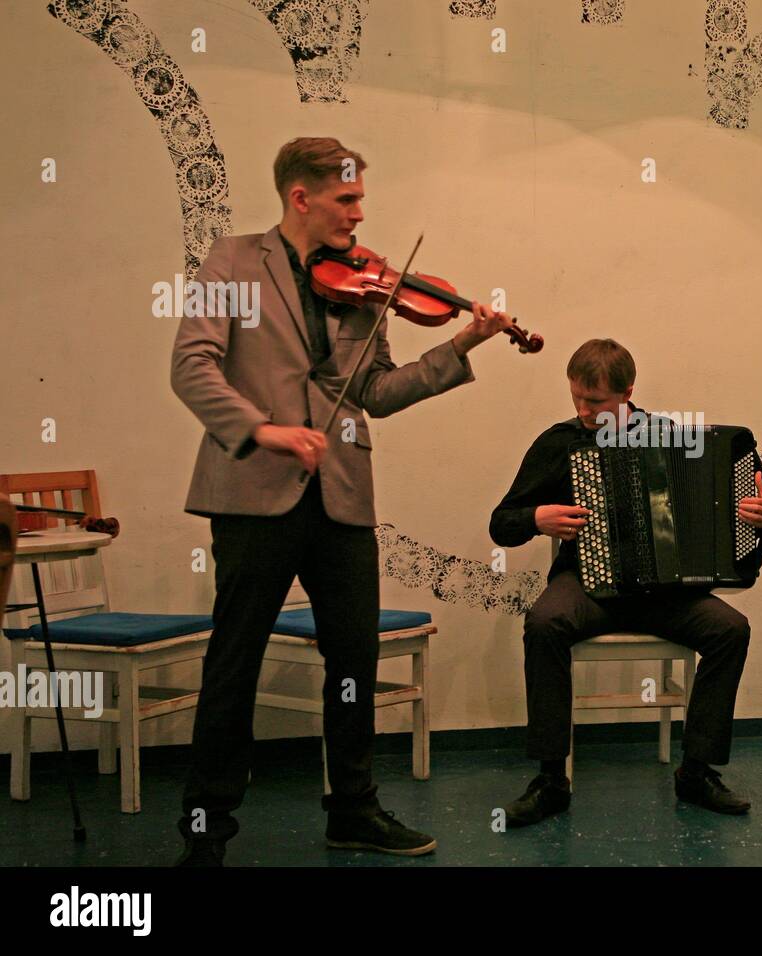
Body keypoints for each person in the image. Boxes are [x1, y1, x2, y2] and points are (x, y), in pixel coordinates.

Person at [170, 137, 515, 865]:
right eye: (347, 200)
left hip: (342, 495)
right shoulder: (230, 261)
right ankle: (207, 825)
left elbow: (376, 393)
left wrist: (463, 345)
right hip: (252, 491)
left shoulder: (364, 282)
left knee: (354, 662)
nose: (360, 217)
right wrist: (261, 430)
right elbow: (192, 365)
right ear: (302, 197)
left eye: (361, 200)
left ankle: (353, 808)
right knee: (233, 660)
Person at [489, 339, 762, 827]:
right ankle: (550, 779)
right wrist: (537, 518)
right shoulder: (560, 443)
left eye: (596, 401)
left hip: (665, 593)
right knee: (544, 622)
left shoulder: (671, 436)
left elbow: (739, 509)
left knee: (731, 629)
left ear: (628, 393)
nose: (583, 410)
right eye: (577, 397)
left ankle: (697, 771)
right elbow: (502, 522)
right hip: (586, 584)